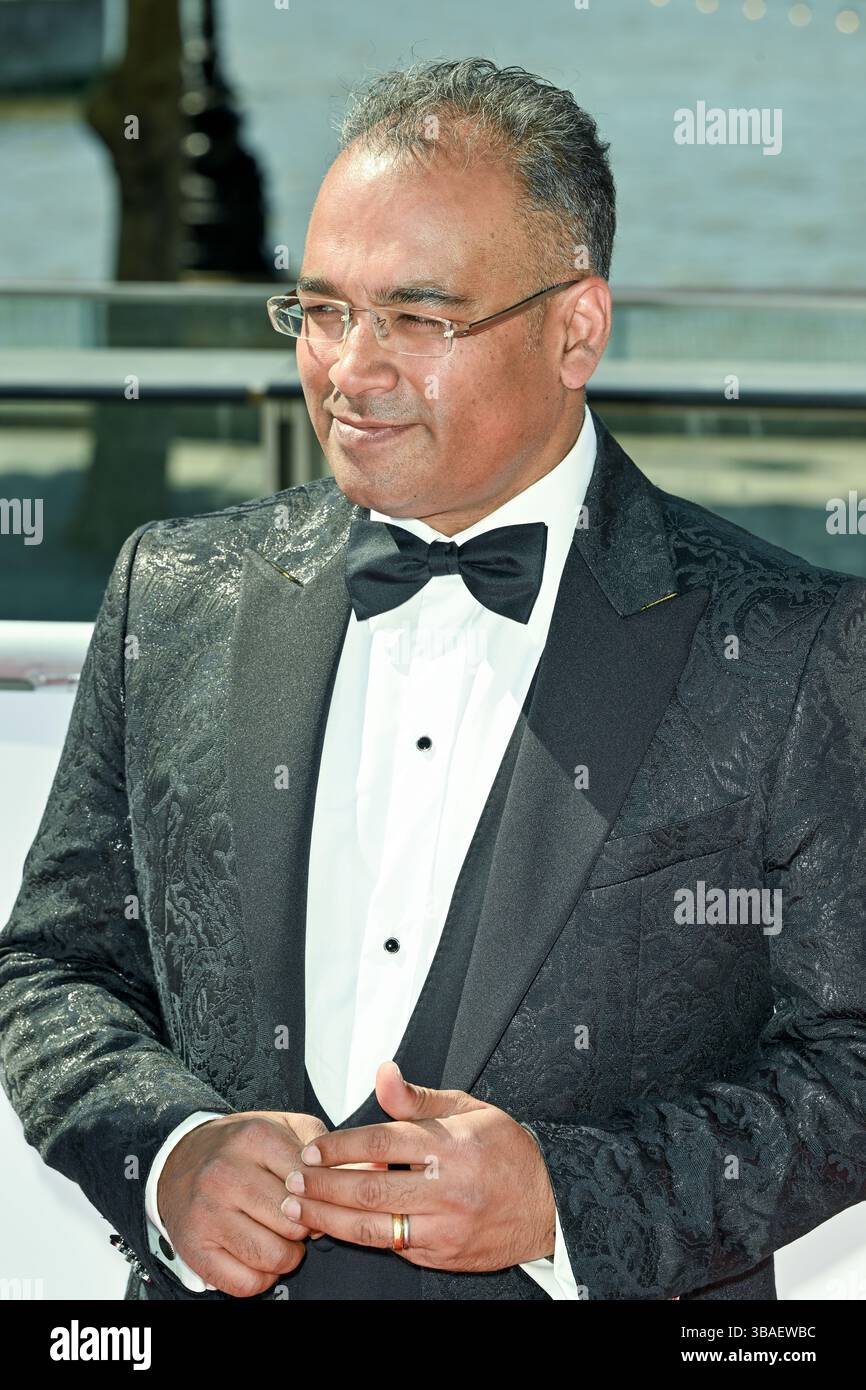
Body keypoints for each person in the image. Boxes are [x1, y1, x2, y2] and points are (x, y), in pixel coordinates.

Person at [1, 57, 865, 1303]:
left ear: (575, 329)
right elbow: (55, 967)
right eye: (320, 308)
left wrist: (565, 1198)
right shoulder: (170, 594)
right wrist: (168, 1155)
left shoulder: (789, 644)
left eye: (416, 317)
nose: (350, 369)